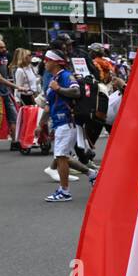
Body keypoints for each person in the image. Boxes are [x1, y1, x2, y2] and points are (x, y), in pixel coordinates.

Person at [43, 49, 92, 202]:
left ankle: (64, 191)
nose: (45, 63)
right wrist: (41, 124)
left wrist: (58, 89)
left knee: (61, 157)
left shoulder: (65, 75)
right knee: (61, 156)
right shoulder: (54, 78)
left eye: (47, 59)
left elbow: (76, 92)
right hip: (59, 123)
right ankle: (92, 174)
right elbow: (48, 105)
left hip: (66, 121)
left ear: (55, 62)